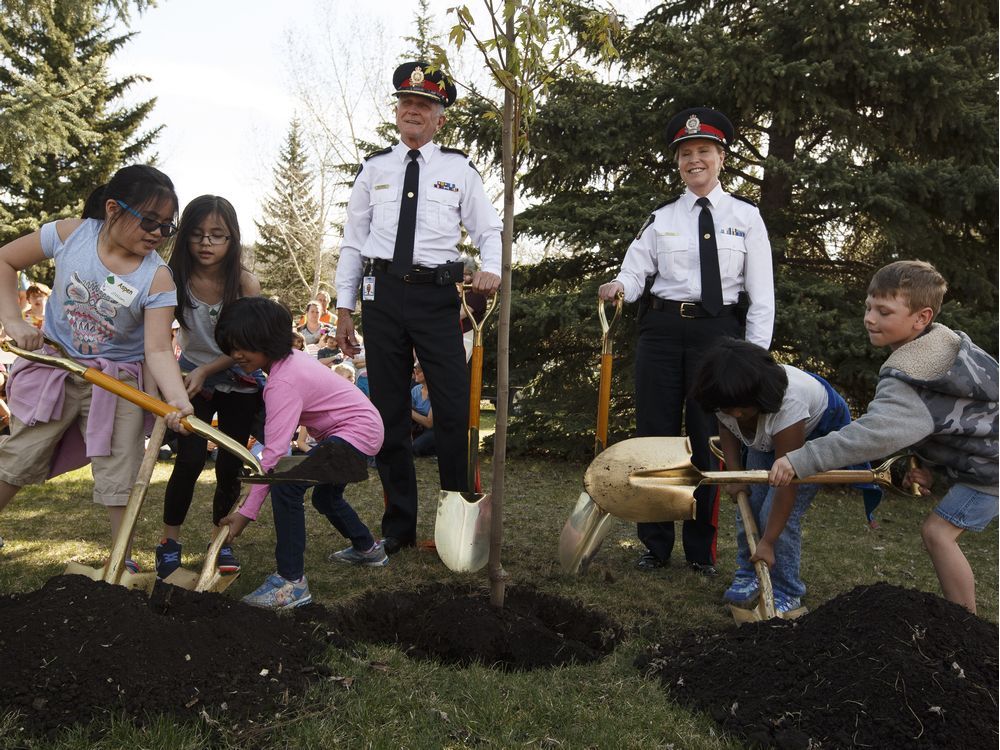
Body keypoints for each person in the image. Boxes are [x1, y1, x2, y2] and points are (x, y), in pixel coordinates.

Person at [598, 107, 775, 576]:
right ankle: (654, 545)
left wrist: (754, 358)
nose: (694, 160)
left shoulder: (747, 218)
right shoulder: (661, 219)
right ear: (677, 162)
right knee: (655, 438)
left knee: (709, 440)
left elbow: (762, 297)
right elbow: (635, 271)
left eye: (703, 151)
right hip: (660, 332)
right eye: (685, 153)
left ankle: (701, 549)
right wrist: (620, 287)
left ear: (721, 158)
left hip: (717, 336)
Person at [334, 60, 501, 555]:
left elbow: (489, 229)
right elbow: (352, 241)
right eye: (406, 102)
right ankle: (398, 529)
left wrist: (490, 268)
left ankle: (458, 524)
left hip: (436, 298)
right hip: (381, 296)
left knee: (452, 409)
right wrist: (344, 308)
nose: (413, 110)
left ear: (439, 118)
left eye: (424, 105)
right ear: (398, 111)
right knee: (388, 415)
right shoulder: (374, 168)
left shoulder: (458, 169)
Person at [770, 261, 998, 614]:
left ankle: (965, 624)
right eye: (868, 307)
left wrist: (801, 458)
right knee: (939, 532)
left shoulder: (911, 377)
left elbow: (871, 436)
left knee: (938, 534)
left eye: (884, 311)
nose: (870, 318)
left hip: (992, 472)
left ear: (921, 317)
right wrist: (927, 465)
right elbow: (956, 420)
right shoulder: (945, 345)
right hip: (989, 461)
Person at [0, 165, 192, 567]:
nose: (157, 233)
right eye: (148, 220)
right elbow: (5, 261)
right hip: (55, 367)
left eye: (166, 226)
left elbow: (157, 349)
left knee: (120, 474)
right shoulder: (71, 235)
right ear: (112, 208)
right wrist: (15, 321)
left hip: (116, 381)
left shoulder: (157, 278)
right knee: (19, 457)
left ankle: (120, 561)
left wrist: (177, 401)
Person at [216, 297, 387, 609]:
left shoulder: (283, 380)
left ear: (267, 340)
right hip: (362, 430)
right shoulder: (288, 360)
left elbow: (274, 456)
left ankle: (291, 582)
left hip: (356, 433)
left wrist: (245, 513)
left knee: (287, 485)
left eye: (243, 346)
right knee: (326, 497)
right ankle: (368, 549)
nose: (235, 355)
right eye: (231, 347)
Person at [690, 338, 882, 613]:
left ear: (755, 395)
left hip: (810, 436)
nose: (736, 414)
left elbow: (786, 487)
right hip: (767, 435)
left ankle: (786, 589)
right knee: (751, 505)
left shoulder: (788, 403)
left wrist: (768, 542)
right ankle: (748, 572)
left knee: (777, 515)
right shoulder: (726, 397)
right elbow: (728, 428)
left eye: (740, 408)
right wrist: (735, 474)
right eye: (728, 408)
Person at [155, 195, 263, 580]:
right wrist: (181, 382)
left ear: (232, 239)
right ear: (185, 238)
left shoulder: (246, 283)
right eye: (198, 234)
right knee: (187, 461)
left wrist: (208, 370)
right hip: (189, 382)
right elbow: (158, 340)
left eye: (217, 235)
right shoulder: (171, 279)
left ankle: (222, 540)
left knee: (230, 466)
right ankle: (169, 543)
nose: (206, 243)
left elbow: (249, 347)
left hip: (239, 380)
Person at [459, 256, 487, 362]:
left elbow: (458, 314)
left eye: (468, 274)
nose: (465, 278)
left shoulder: (476, 295)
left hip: (467, 339)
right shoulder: (455, 292)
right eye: (462, 274)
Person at [410, 360, 436, 456]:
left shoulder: (436, 392)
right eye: (415, 369)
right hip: (418, 428)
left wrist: (409, 411)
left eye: (419, 370)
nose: (415, 372)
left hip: (434, 430)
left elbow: (429, 423)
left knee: (416, 447)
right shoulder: (415, 390)